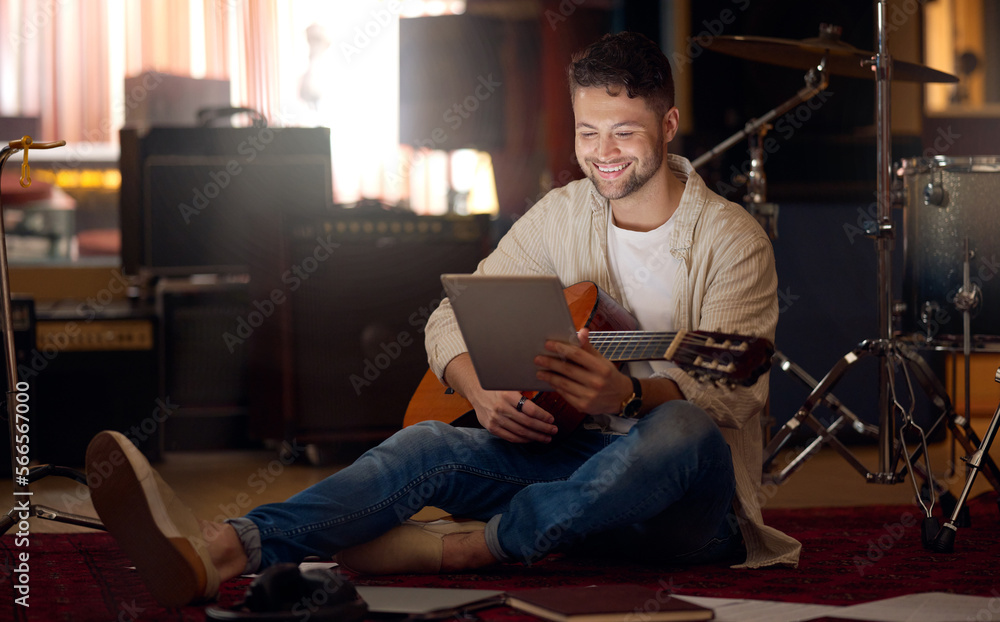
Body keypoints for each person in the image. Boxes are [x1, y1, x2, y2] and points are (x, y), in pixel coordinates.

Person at [86, 30, 801, 609]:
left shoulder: (730, 240)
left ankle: (470, 546)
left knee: (678, 427)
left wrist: (633, 396)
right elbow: (450, 317)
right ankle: (222, 548)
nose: (603, 154)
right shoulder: (561, 215)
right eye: (589, 132)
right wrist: (479, 387)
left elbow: (734, 395)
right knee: (428, 441)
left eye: (624, 132)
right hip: (572, 463)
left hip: (681, 511)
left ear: (669, 126)